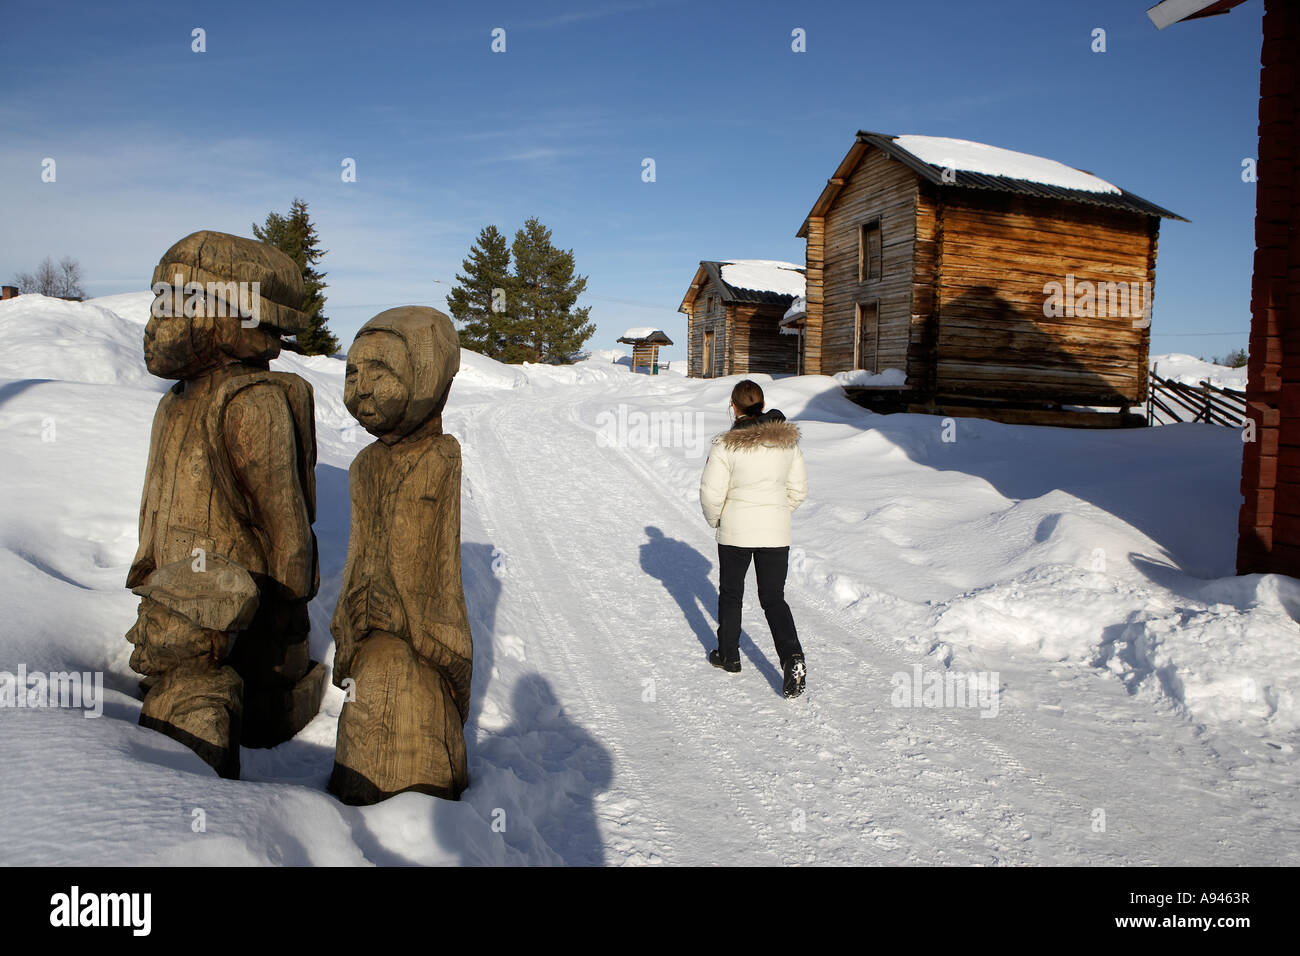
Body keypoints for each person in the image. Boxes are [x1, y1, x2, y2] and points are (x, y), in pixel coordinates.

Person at [699, 380, 809, 698]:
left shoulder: (726, 444)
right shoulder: (787, 443)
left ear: (734, 407)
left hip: (735, 530)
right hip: (776, 532)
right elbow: (799, 489)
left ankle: (729, 656)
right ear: (762, 405)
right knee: (774, 598)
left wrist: (715, 519)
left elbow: (711, 491)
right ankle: (792, 657)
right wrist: (777, 513)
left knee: (732, 593)